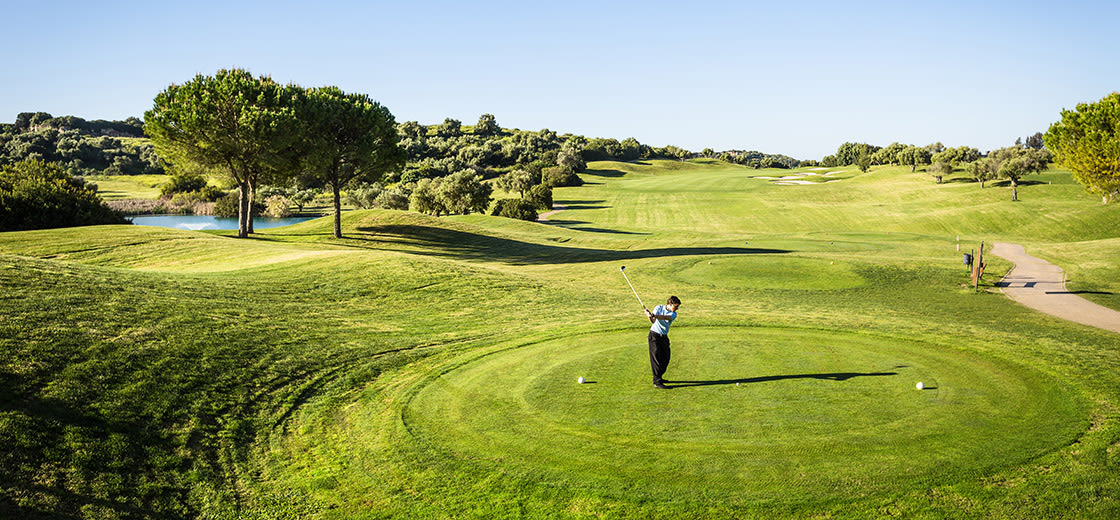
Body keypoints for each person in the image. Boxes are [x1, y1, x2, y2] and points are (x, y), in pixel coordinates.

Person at [645, 296, 681, 389]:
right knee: (656, 359)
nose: (677, 308)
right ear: (670, 304)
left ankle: (659, 377)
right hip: (654, 336)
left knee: (666, 358)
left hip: (664, 337)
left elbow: (665, 317)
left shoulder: (673, 314)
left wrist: (655, 316)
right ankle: (657, 381)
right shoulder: (659, 307)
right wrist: (649, 316)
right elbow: (653, 321)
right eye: (676, 306)